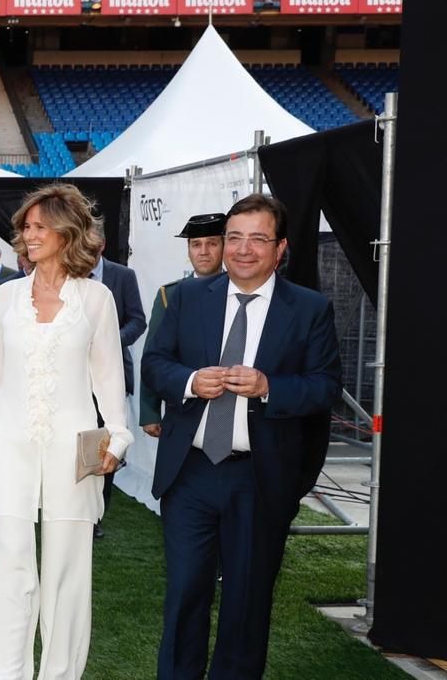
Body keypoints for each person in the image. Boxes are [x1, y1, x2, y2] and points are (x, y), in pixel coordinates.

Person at [143, 194, 342, 679]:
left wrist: (269, 386)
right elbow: (154, 364)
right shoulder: (186, 297)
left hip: (259, 478)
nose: (243, 249)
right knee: (186, 591)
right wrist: (190, 382)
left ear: (281, 249)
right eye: (235, 237)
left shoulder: (309, 309)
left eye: (258, 238)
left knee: (246, 602)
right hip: (190, 475)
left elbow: (325, 387)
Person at [0, 183, 132, 679]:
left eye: (40, 227)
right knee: (12, 563)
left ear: (68, 231)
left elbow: (108, 379)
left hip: (74, 449)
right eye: (26, 227)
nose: (28, 235)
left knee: (66, 571)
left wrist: (118, 439)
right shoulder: (5, 297)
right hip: (9, 444)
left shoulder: (96, 298)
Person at [137, 213, 226, 437]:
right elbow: (153, 355)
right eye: (196, 244)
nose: (203, 251)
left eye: (212, 244)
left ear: (224, 247)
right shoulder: (171, 295)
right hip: (184, 404)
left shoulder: (238, 292)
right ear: (188, 250)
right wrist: (150, 412)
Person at [88, 232, 147, 539]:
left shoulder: (122, 276)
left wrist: (109, 342)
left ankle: (96, 514)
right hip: (72, 376)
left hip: (110, 375)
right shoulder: (66, 272)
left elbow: (138, 321)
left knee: (103, 447)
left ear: (102, 244)